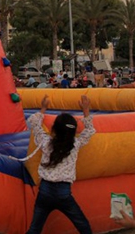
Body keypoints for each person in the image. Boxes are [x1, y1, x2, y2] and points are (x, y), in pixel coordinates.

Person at [25, 94, 95, 234]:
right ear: (73, 132)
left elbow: (34, 122)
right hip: (63, 192)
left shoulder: (46, 143)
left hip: (45, 190)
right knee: (82, 225)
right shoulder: (75, 144)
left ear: (54, 129)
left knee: (35, 228)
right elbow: (89, 131)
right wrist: (85, 111)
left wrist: (43, 108)